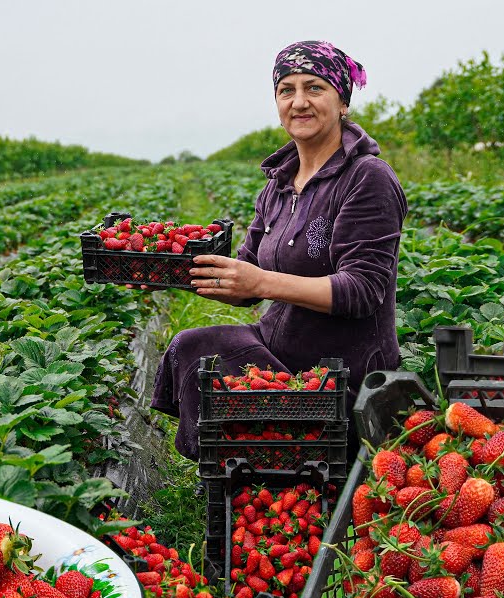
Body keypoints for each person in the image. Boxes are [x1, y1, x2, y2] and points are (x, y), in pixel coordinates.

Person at [151, 40, 407, 460]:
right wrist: (172, 273)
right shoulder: (279, 182)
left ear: (342, 101)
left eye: (314, 88)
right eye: (286, 90)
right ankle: (235, 468)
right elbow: (247, 275)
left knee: (220, 373)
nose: (299, 102)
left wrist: (263, 281)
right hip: (277, 345)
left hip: (340, 371)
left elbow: (362, 289)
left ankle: (277, 465)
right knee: (193, 347)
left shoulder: (367, 177)